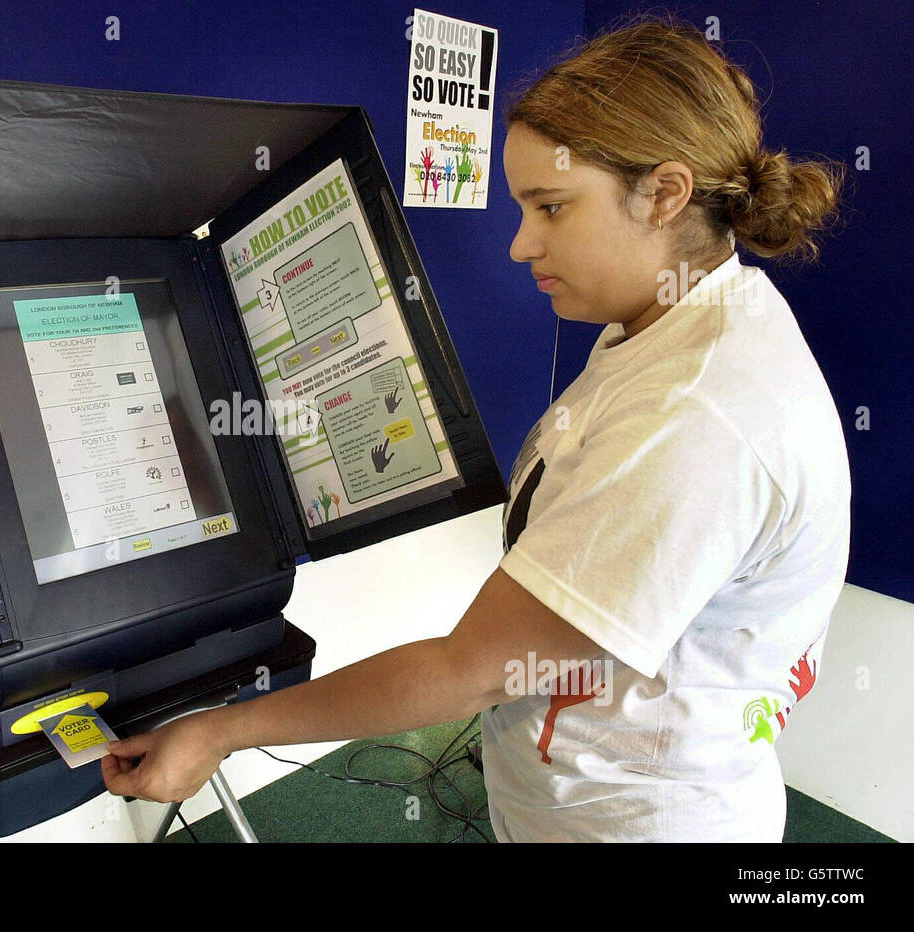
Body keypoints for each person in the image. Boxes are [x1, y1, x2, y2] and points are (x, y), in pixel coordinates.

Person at [101, 17, 850, 842]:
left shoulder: (697, 415)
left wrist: (220, 731)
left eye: (552, 207)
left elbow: (467, 673)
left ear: (665, 194)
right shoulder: (679, 317)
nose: (522, 243)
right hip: (578, 784)